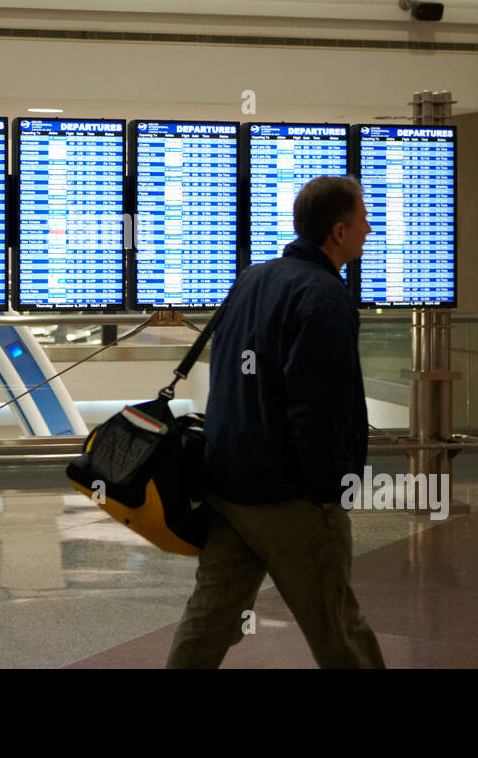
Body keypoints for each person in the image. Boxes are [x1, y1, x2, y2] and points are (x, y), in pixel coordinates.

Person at [166, 175, 385, 669]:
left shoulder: (253, 278)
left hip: (226, 484)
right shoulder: (324, 295)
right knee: (337, 626)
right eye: (363, 220)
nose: (369, 229)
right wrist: (329, 488)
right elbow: (318, 405)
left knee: (208, 620)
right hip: (289, 496)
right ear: (338, 230)